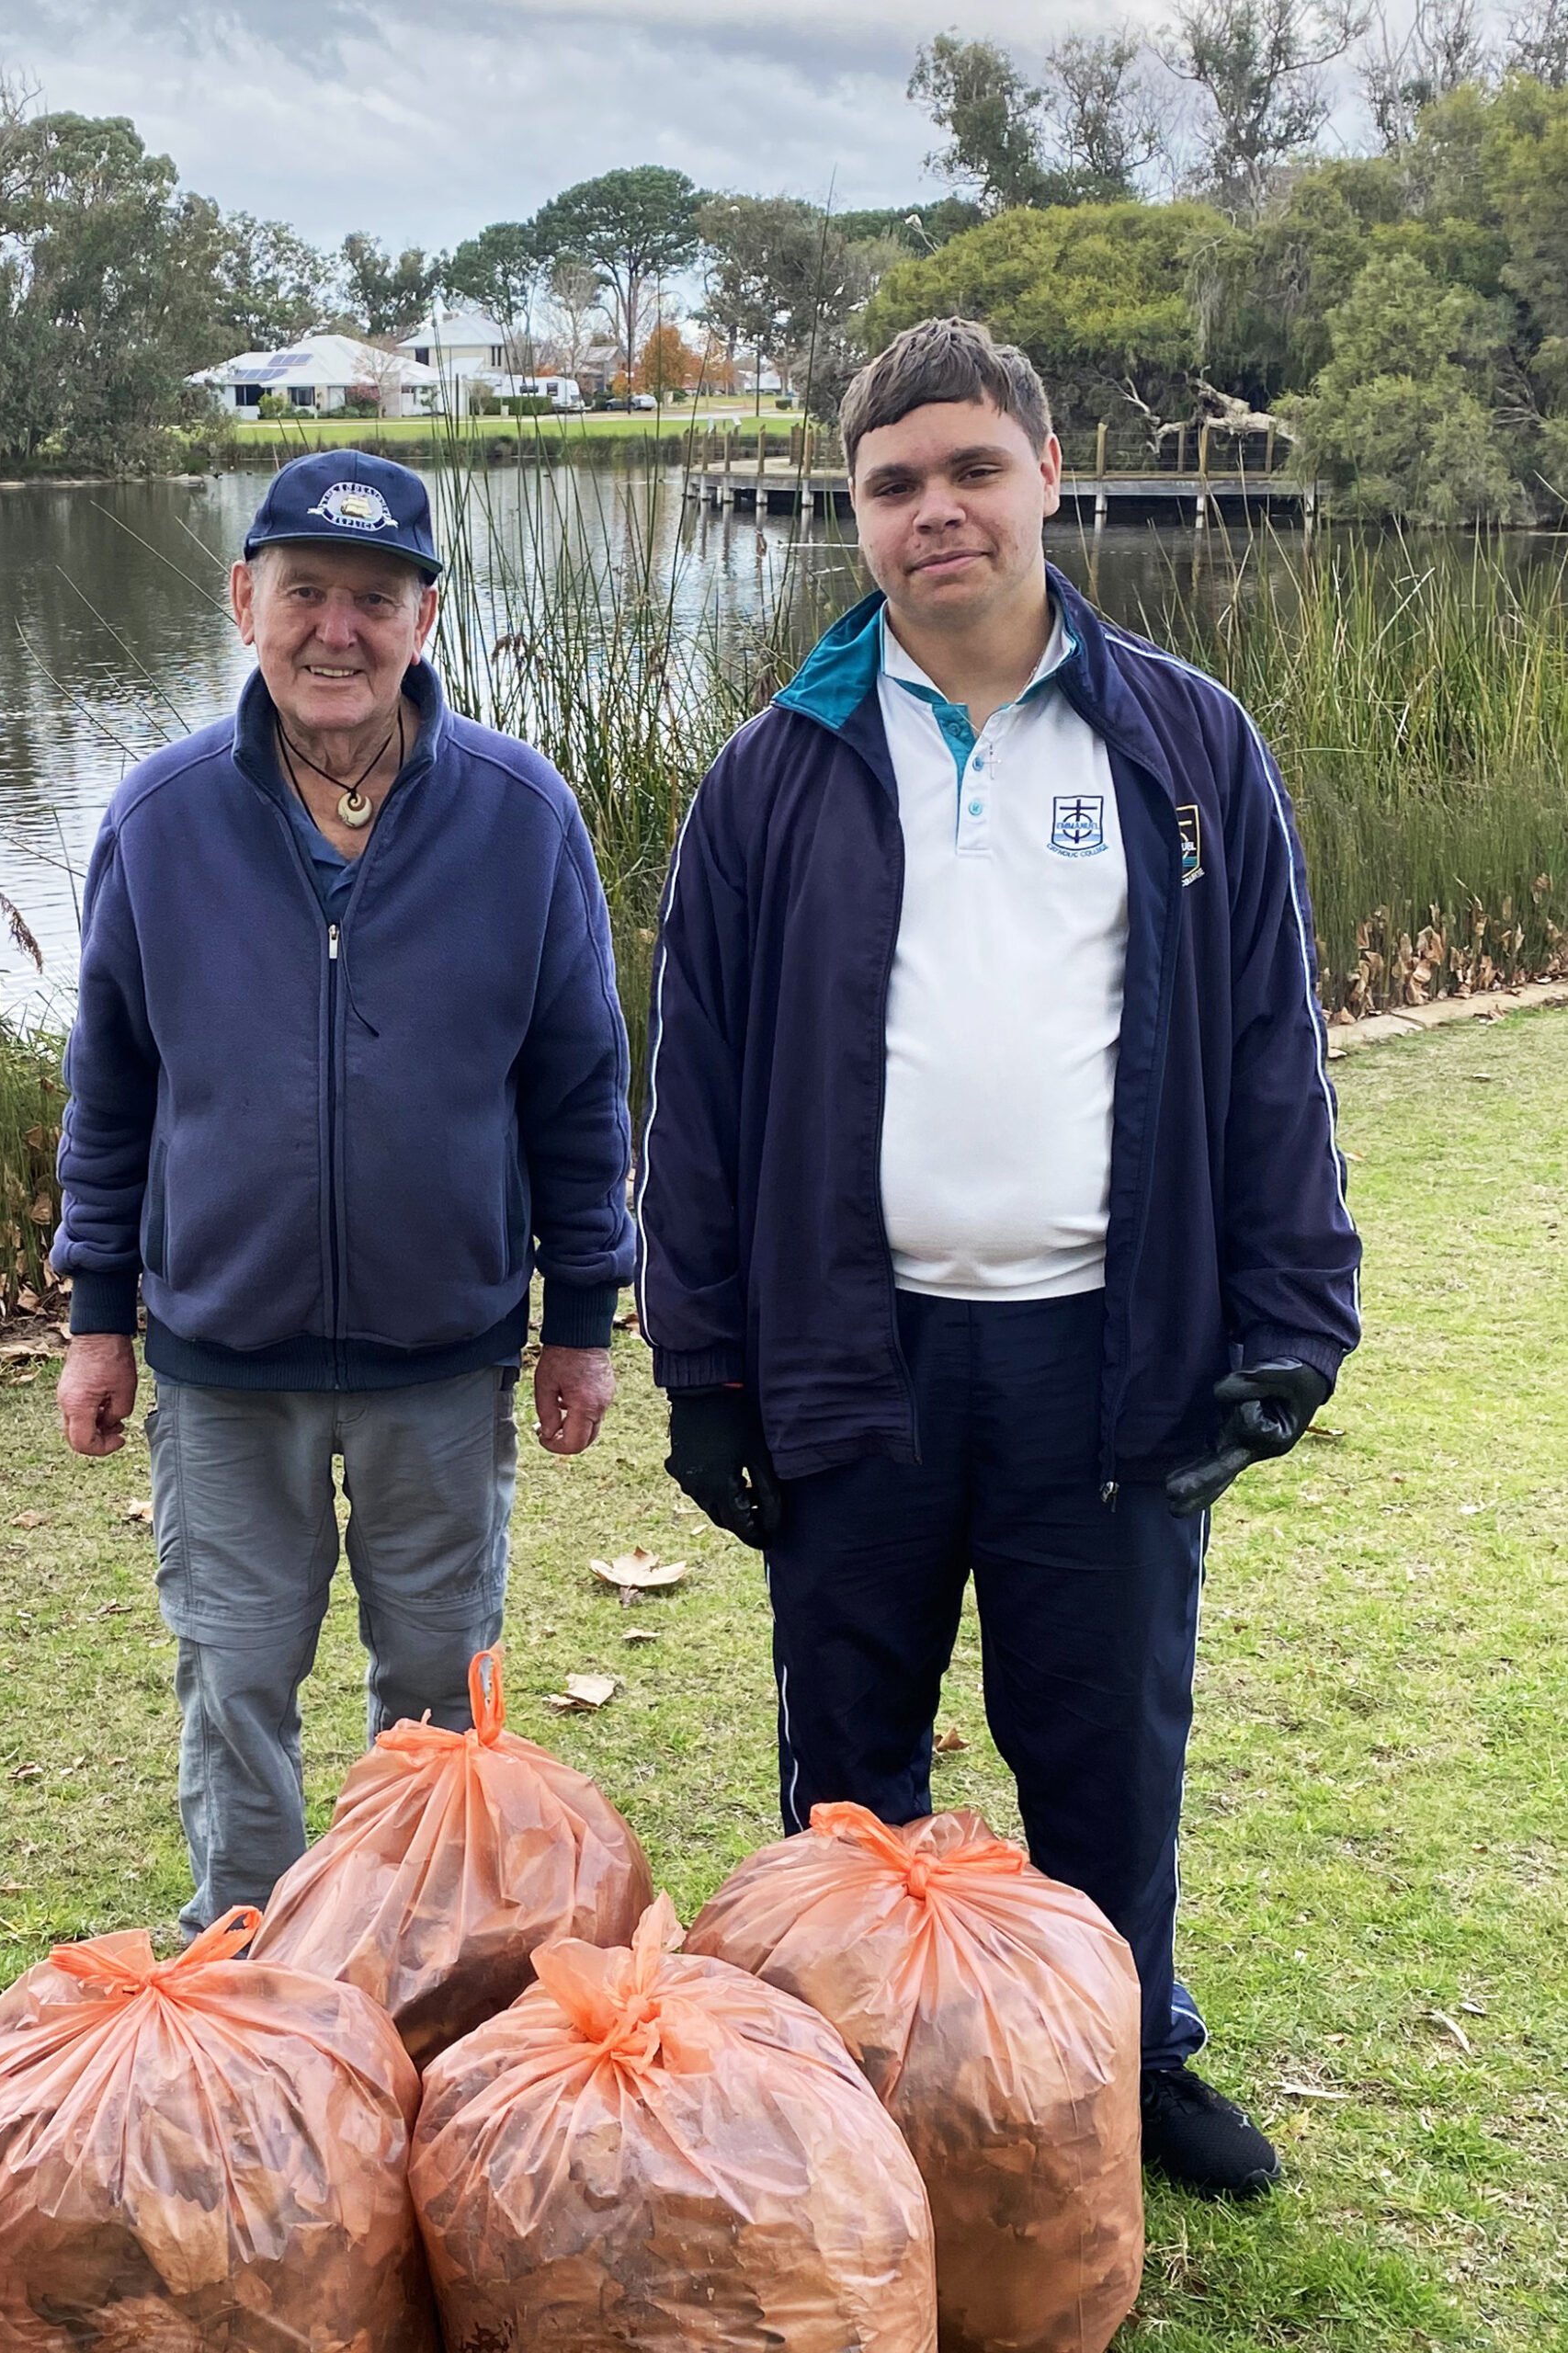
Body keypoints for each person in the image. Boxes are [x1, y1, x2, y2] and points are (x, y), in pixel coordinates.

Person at [637, 319, 1360, 2199]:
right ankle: (849, 2077)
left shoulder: (1185, 742)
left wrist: (1292, 1313)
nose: (933, 510)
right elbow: (695, 1086)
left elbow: (1270, 1042)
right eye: (892, 484)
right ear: (855, 516)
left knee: (1101, 1738)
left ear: (1046, 472)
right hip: (847, 1355)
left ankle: (1122, 2056)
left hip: (1104, 1357)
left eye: (969, 468)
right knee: (849, 1757)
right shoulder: (773, 770)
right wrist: (702, 1364)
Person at [51, 450, 632, 1938]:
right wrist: (96, 1315)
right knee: (235, 1676)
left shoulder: (522, 813)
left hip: (443, 1352)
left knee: (438, 1687)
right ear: (245, 600)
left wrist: (584, 1319)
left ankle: (415, 1961)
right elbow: (111, 1084)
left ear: (424, 620)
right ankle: (245, 1961)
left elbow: (576, 1084)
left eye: (374, 599)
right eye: (305, 591)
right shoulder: (161, 816)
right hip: (219, 1354)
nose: (336, 631)